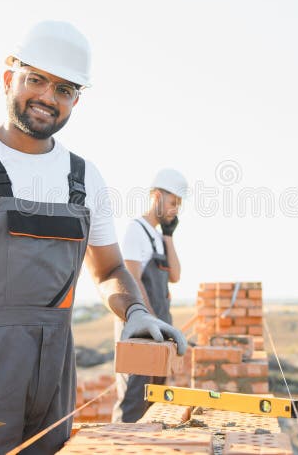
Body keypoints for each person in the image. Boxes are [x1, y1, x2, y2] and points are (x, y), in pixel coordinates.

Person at [0, 20, 187, 454]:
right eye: (36, 79)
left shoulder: (85, 178)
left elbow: (111, 268)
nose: (47, 97)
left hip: (53, 372)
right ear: (9, 79)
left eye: (64, 89)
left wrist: (134, 309)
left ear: (76, 100)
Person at [113, 169, 187, 423]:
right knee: (135, 398)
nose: (176, 209)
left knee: (155, 400)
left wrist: (169, 235)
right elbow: (132, 280)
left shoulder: (157, 236)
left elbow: (175, 274)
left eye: (179, 204)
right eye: (173, 202)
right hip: (142, 330)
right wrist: (152, 321)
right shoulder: (136, 230)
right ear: (156, 196)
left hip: (158, 329)